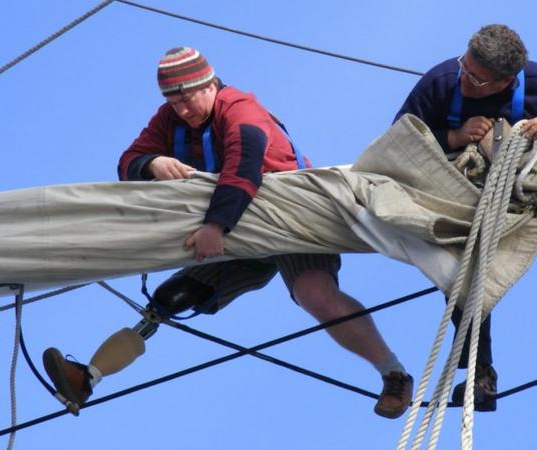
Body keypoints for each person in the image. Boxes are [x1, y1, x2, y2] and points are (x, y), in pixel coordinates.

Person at [42, 47, 413, 419]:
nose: (182, 110)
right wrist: (152, 162)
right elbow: (128, 160)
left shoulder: (240, 108)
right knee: (171, 297)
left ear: (209, 84)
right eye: (173, 102)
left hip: (286, 219)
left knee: (316, 293)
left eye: (187, 99)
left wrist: (215, 225)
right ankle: (88, 377)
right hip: (232, 230)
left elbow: (246, 163)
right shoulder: (169, 119)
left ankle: (393, 373)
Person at [394, 24, 537, 411]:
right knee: (460, 253)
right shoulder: (441, 81)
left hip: (531, 200)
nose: (464, 80)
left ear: (505, 82)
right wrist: (453, 137)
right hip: (466, 203)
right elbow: (398, 142)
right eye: (465, 67)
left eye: (477, 80)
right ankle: (479, 372)